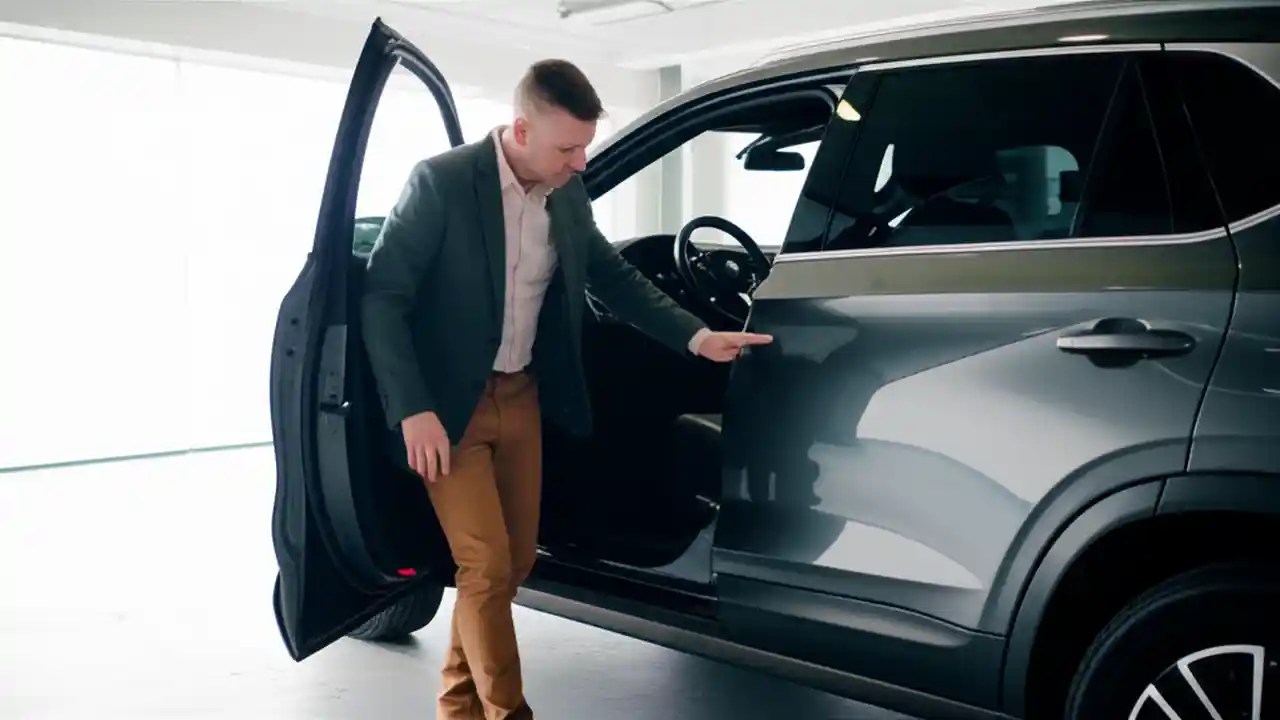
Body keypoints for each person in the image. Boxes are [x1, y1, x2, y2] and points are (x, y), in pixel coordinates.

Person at [360, 58, 772, 720]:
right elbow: (383, 297)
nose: (581, 162)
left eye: (584, 146)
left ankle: (456, 708)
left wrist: (697, 338)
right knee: (486, 568)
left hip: (522, 397)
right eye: (568, 147)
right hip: (448, 407)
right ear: (520, 128)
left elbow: (612, 278)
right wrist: (412, 410)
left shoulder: (565, 192)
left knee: (515, 563)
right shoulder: (441, 183)